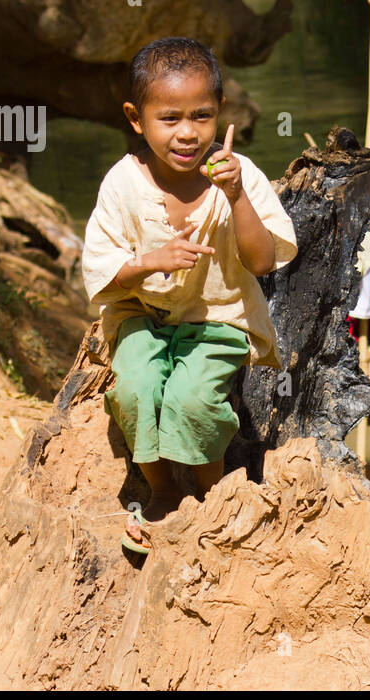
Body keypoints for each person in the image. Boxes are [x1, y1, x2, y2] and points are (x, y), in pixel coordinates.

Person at [81, 37, 298, 552]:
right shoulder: (122, 184)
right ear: (136, 119)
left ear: (222, 112)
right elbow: (101, 280)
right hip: (143, 314)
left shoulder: (238, 179)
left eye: (201, 116)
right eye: (169, 118)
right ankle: (161, 491)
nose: (187, 133)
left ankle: (208, 492)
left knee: (193, 398)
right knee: (135, 389)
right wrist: (148, 262)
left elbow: (264, 262)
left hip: (218, 318)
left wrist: (237, 195)